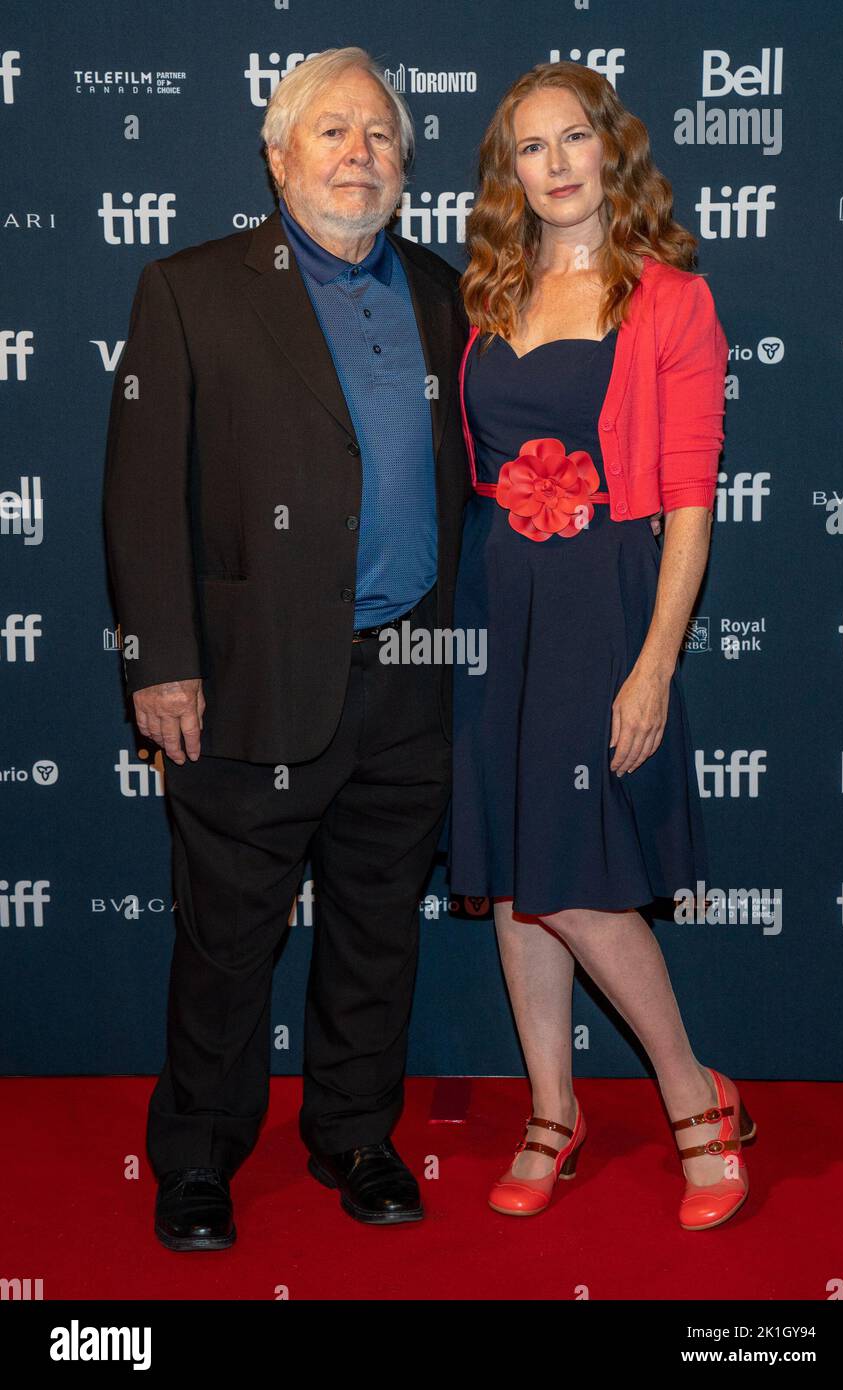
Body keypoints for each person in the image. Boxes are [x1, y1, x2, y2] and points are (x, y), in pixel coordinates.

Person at [103, 46, 472, 1247]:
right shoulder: (191, 289)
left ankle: (356, 1134)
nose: (357, 152)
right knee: (227, 936)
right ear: (276, 156)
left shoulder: (442, 291)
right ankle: (198, 1154)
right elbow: (142, 494)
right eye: (330, 132)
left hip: (407, 676)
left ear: (404, 166)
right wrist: (161, 660)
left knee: (378, 924)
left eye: (377, 135)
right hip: (248, 677)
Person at [448, 62, 757, 1231]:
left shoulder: (670, 298)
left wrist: (654, 662)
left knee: (573, 877)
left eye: (572, 138)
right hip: (501, 602)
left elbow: (687, 495)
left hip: (606, 600)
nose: (555, 163)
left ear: (608, 150)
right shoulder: (487, 291)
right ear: (509, 173)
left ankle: (693, 1098)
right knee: (526, 877)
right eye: (530, 148)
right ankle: (549, 1107)